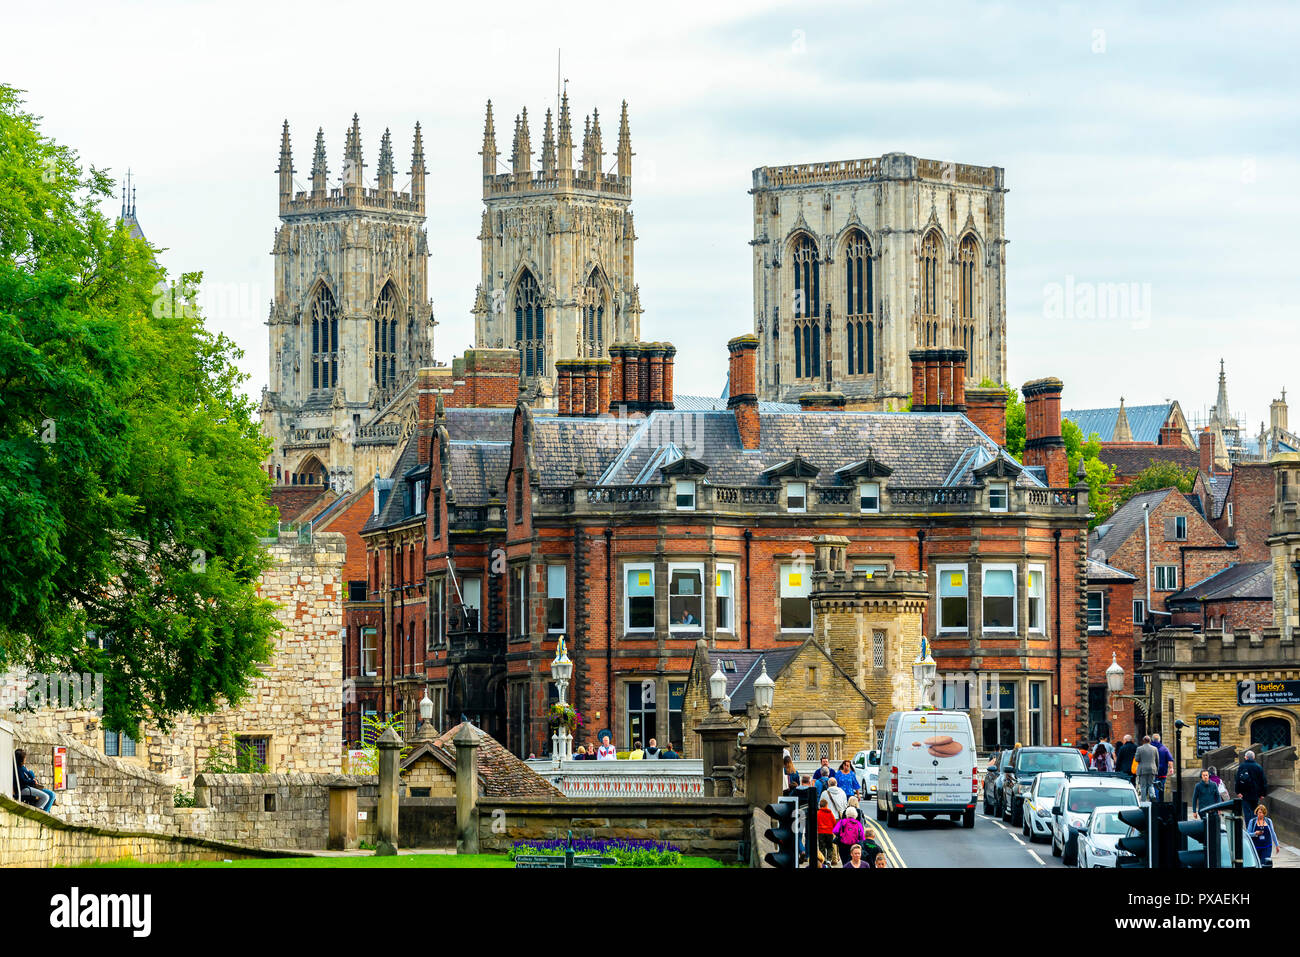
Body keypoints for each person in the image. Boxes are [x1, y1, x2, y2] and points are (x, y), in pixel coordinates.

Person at [1135, 735, 1159, 802]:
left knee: (1143, 786)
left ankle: (1143, 801)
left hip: (1142, 770)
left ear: (1143, 741)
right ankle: (1153, 796)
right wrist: (1156, 770)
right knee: (1151, 784)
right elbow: (1157, 760)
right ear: (1150, 741)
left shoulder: (1139, 749)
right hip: (1152, 769)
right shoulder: (1155, 749)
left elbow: (1137, 759)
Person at [817, 797, 837, 865]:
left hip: (820, 832)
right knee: (829, 847)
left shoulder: (818, 813)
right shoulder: (830, 813)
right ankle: (829, 860)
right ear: (826, 805)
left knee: (821, 847)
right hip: (829, 832)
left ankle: (823, 860)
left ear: (820, 805)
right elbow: (834, 822)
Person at [1152, 733, 1173, 800]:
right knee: (1161, 788)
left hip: (1153, 772)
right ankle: (1161, 804)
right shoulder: (1164, 749)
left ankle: (1156, 804)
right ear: (1159, 740)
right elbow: (1170, 760)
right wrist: (1171, 768)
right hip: (1162, 772)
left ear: (1152, 739)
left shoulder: (1149, 748)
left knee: (1154, 788)